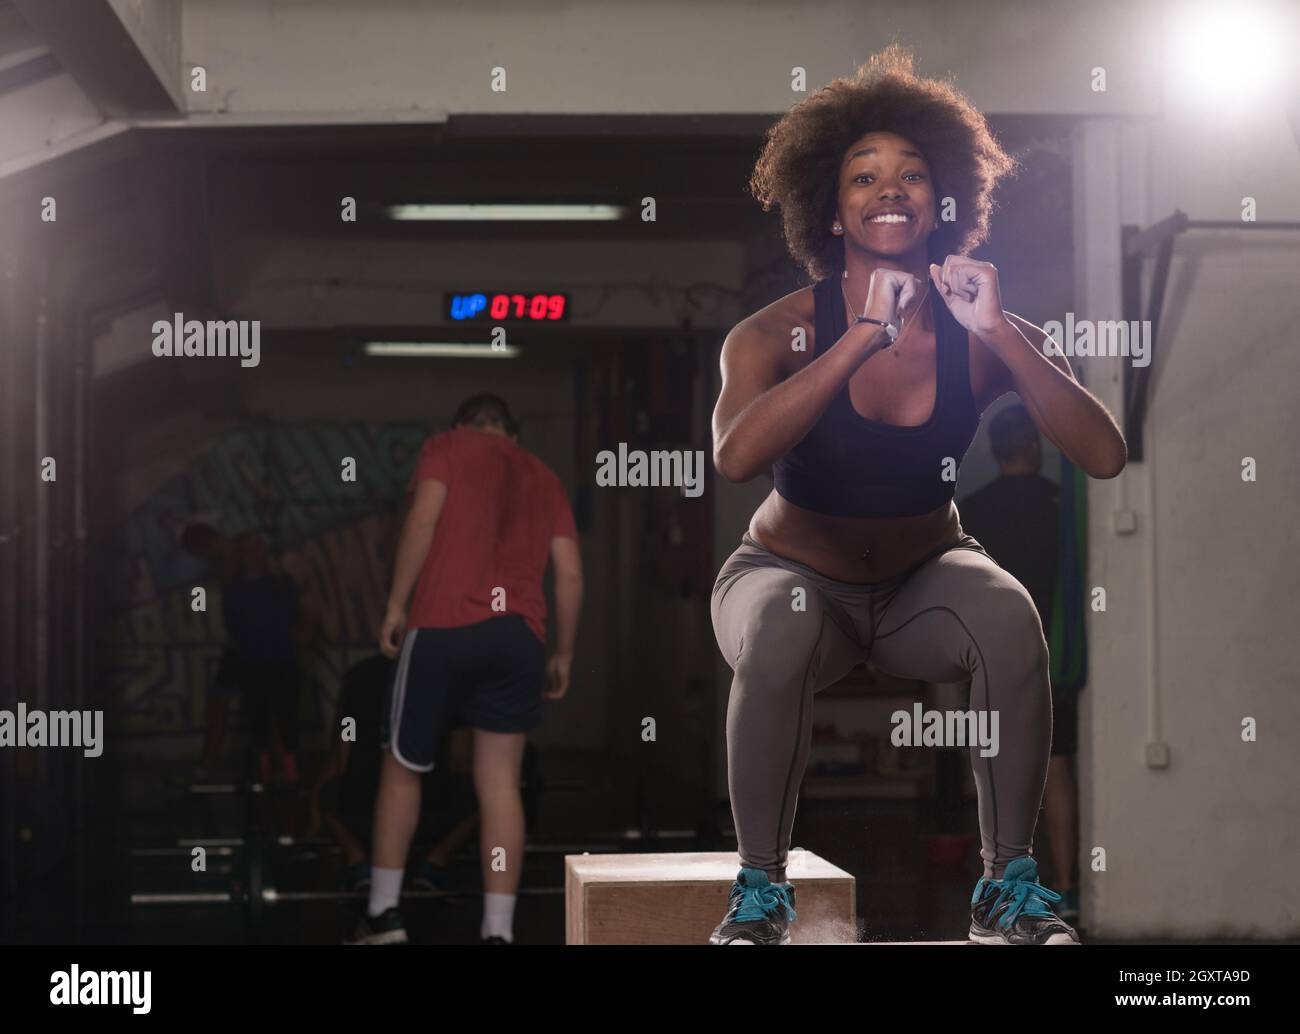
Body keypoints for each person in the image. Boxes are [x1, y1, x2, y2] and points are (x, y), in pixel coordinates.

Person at [708, 46, 1125, 945]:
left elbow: (1103, 454)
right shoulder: (774, 332)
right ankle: (759, 894)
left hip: (922, 583)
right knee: (780, 619)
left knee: (1010, 615)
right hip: (784, 575)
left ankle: (1006, 890)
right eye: (863, 176)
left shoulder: (985, 329)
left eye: (910, 175)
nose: (887, 189)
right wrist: (858, 339)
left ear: (946, 201)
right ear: (832, 205)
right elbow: (736, 458)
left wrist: (1005, 338)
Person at [349, 394, 583, 945]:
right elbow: (569, 574)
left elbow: (423, 521)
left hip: (441, 627)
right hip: (517, 636)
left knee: (404, 768)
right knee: (500, 783)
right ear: (512, 435)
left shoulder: (446, 448)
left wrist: (395, 605)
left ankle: (384, 915)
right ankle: (497, 931)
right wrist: (564, 653)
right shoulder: (541, 473)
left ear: (461, 426)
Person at [958, 404, 1079, 922]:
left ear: (996, 451)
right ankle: (1068, 889)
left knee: (993, 772)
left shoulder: (971, 510)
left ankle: (997, 886)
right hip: (1053, 658)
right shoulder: (1061, 506)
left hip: (987, 656)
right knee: (1056, 767)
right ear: (1034, 447)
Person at [309, 654, 478, 892]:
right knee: (487, 796)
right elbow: (459, 761)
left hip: (362, 812)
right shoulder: (449, 676)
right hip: (433, 812)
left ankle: (356, 859)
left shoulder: (358, 677)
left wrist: (315, 817)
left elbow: (343, 753)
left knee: (330, 792)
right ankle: (437, 860)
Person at [222, 532, 303, 783]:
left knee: (287, 716)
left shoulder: (281, 583)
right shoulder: (234, 589)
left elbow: (294, 615)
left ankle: (290, 772)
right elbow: (233, 626)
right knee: (257, 718)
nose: (254, 554)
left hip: (283, 660)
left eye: (258, 548)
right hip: (252, 662)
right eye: (248, 549)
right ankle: (264, 771)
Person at [181, 523, 239, 780]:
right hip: (244, 645)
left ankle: (206, 764)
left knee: (221, 704)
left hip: (253, 646)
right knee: (220, 703)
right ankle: (207, 763)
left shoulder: (236, 558)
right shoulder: (229, 561)